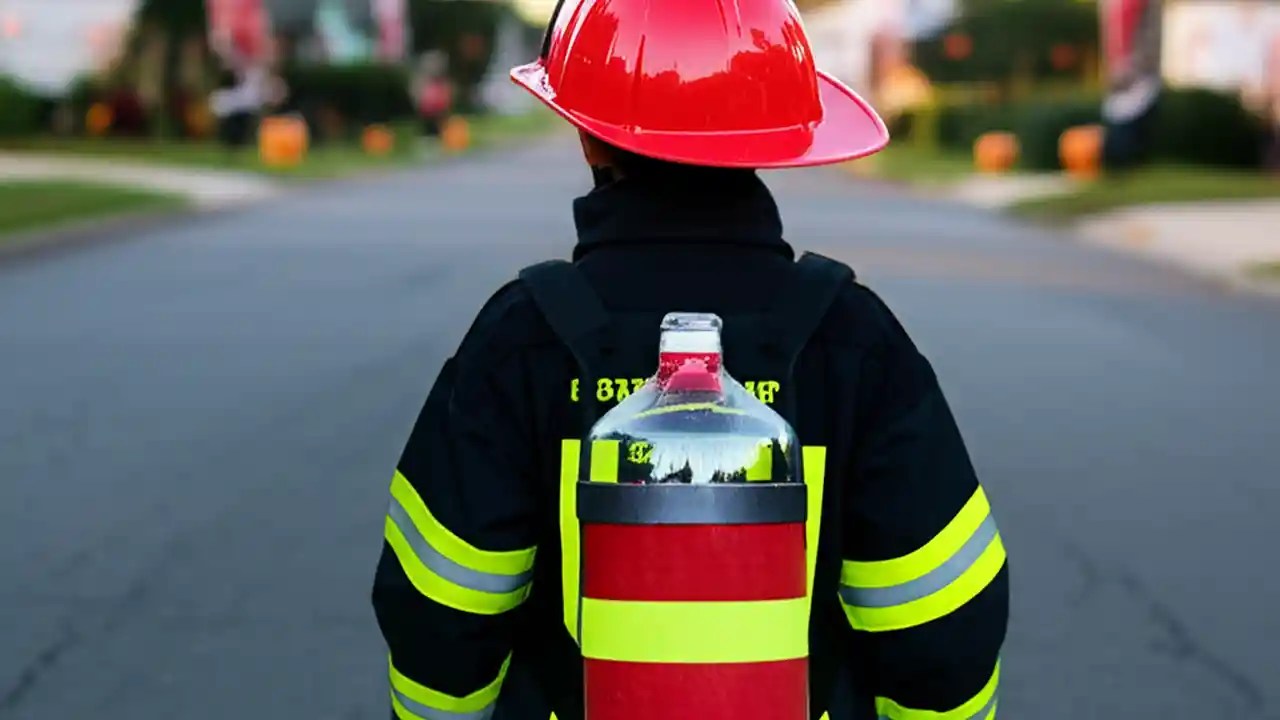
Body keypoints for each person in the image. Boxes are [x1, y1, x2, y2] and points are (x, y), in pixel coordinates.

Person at [370, 0, 1010, 717]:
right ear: (772, 137)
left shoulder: (522, 339)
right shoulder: (852, 339)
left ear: (588, 136)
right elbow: (944, 625)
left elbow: (439, 618)